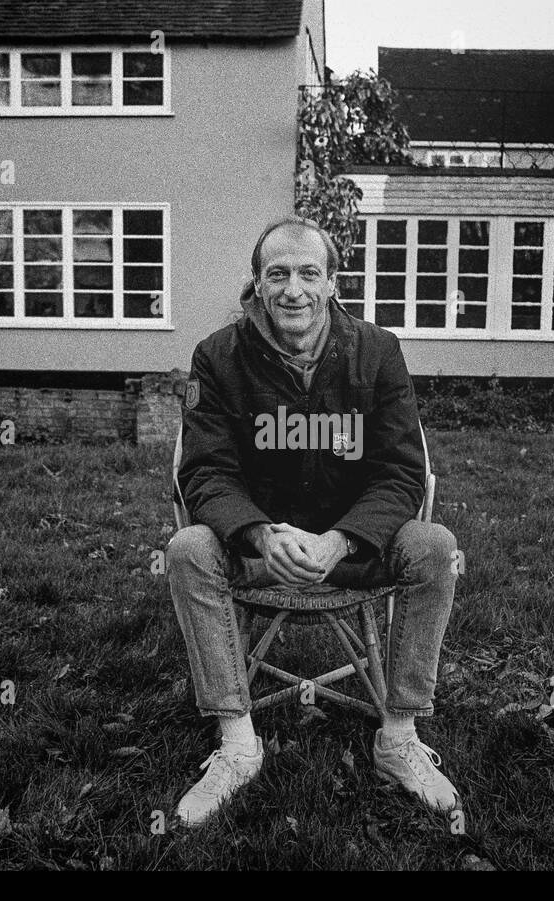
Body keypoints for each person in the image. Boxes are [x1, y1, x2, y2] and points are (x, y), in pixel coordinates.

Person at [166, 215, 460, 827]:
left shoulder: (377, 352)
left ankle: (398, 738)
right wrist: (256, 532)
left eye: (308, 274)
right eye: (277, 274)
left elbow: (402, 472)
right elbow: (204, 472)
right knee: (190, 547)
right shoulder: (218, 357)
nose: (293, 290)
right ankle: (238, 744)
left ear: (331, 283)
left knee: (434, 545)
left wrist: (340, 540)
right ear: (256, 284)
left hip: (352, 545)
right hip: (256, 545)